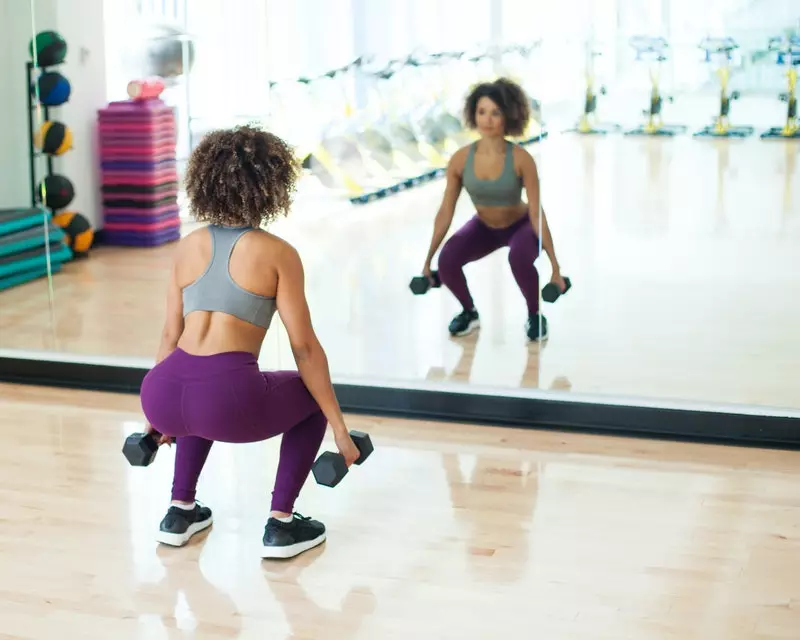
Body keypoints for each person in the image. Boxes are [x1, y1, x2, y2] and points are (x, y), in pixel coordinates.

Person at [138, 125, 361, 559]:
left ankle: (179, 511)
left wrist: (154, 415)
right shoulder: (277, 253)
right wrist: (339, 427)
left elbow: (170, 335)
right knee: (307, 397)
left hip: (163, 392)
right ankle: (281, 523)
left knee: (198, 398)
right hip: (223, 399)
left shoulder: (188, 245)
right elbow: (305, 348)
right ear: (272, 185)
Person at [421, 77, 566, 341]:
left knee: (519, 257)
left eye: (495, 113)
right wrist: (428, 261)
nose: (487, 120)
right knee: (448, 260)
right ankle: (469, 312)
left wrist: (555, 266)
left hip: (520, 225)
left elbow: (536, 212)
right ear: (473, 115)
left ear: (509, 116)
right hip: (484, 227)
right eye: (482, 112)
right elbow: (445, 212)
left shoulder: (522, 160)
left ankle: (535, 315)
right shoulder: (460, 160)